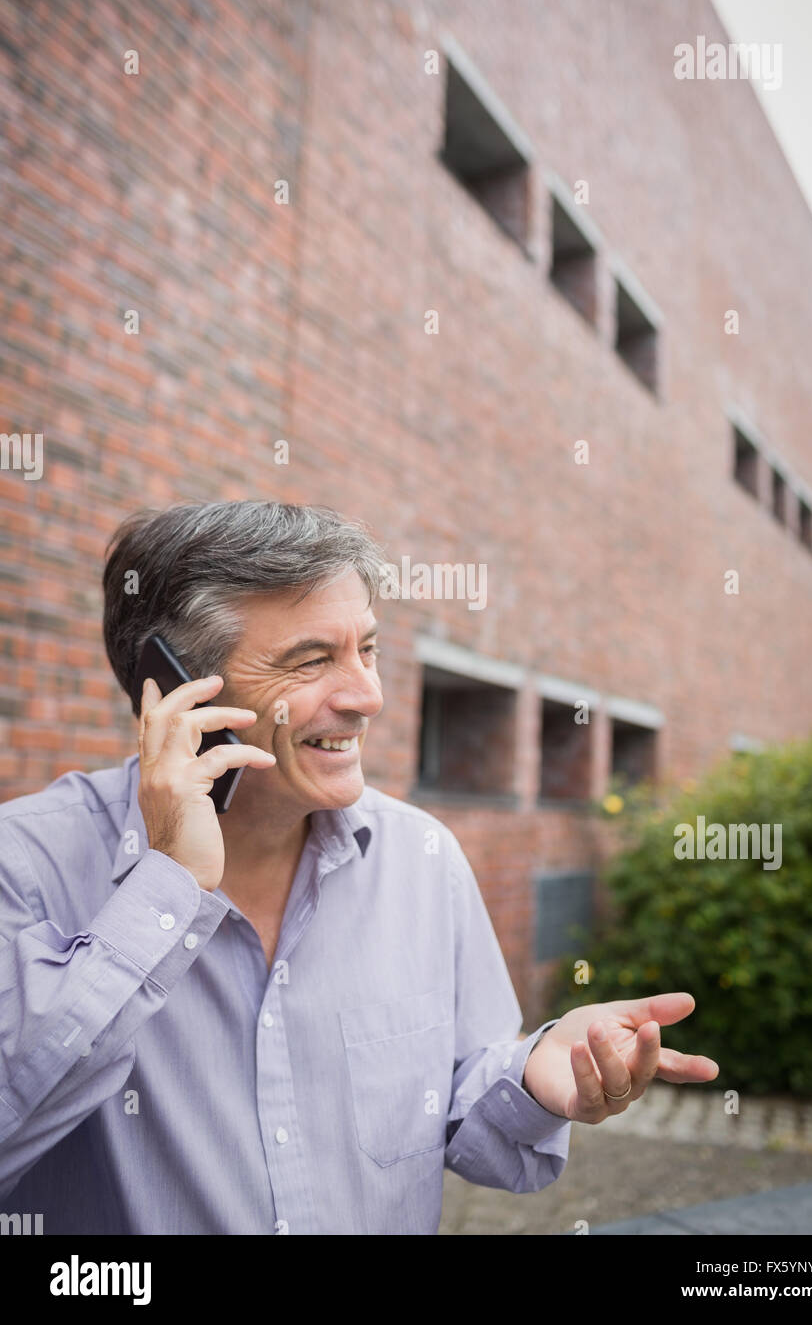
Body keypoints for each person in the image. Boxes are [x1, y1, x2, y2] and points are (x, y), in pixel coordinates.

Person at [0, 500, 718, 1234]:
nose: (366, 697)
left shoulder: (422, 858)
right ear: (173, 689)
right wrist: (167, 886)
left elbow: (457, 1107)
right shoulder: (24, 865)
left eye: (366, 650)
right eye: (311, 661)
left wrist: (533, 1079)